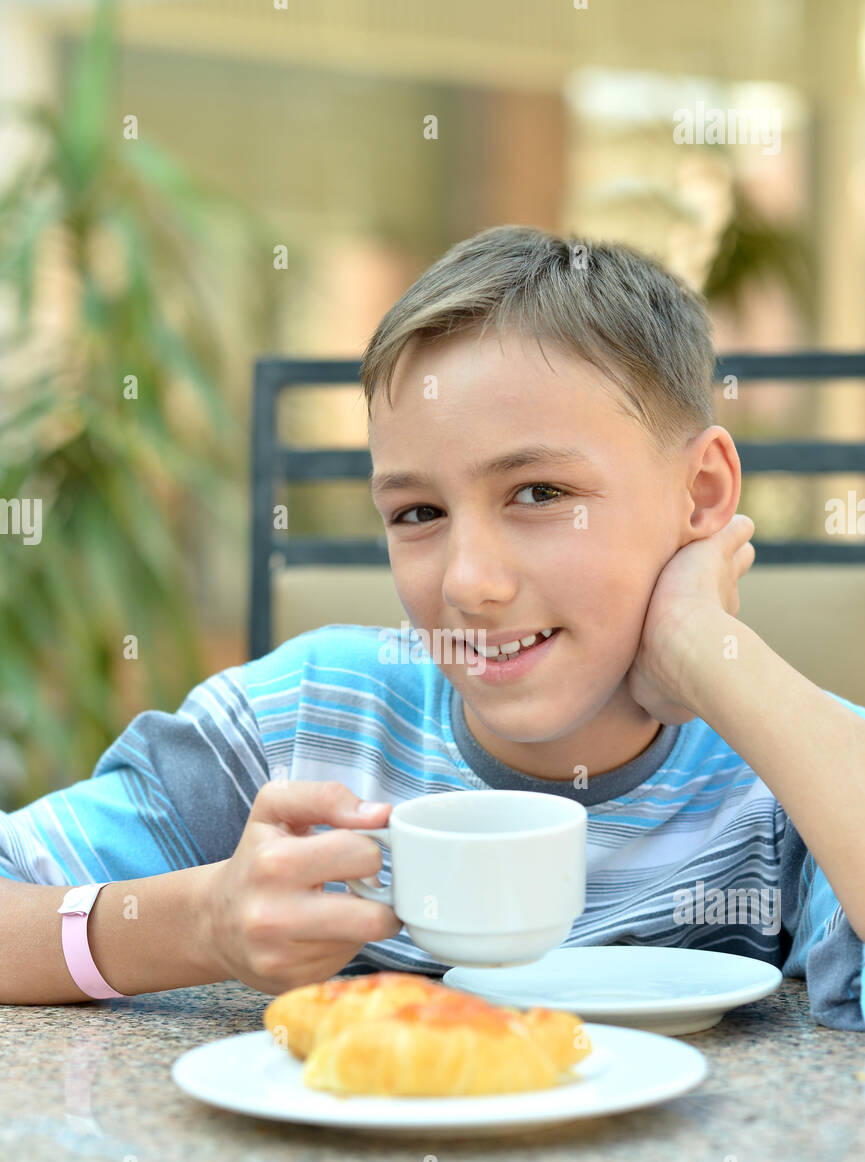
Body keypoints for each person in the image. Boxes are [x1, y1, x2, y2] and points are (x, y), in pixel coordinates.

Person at [2, 225, 863, 1029]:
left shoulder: (792, 765)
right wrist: (197, 925)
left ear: (702, 493)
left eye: (539, 494)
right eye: (417, 511)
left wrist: (705, 651)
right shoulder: (301, 728)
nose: (468, 583)